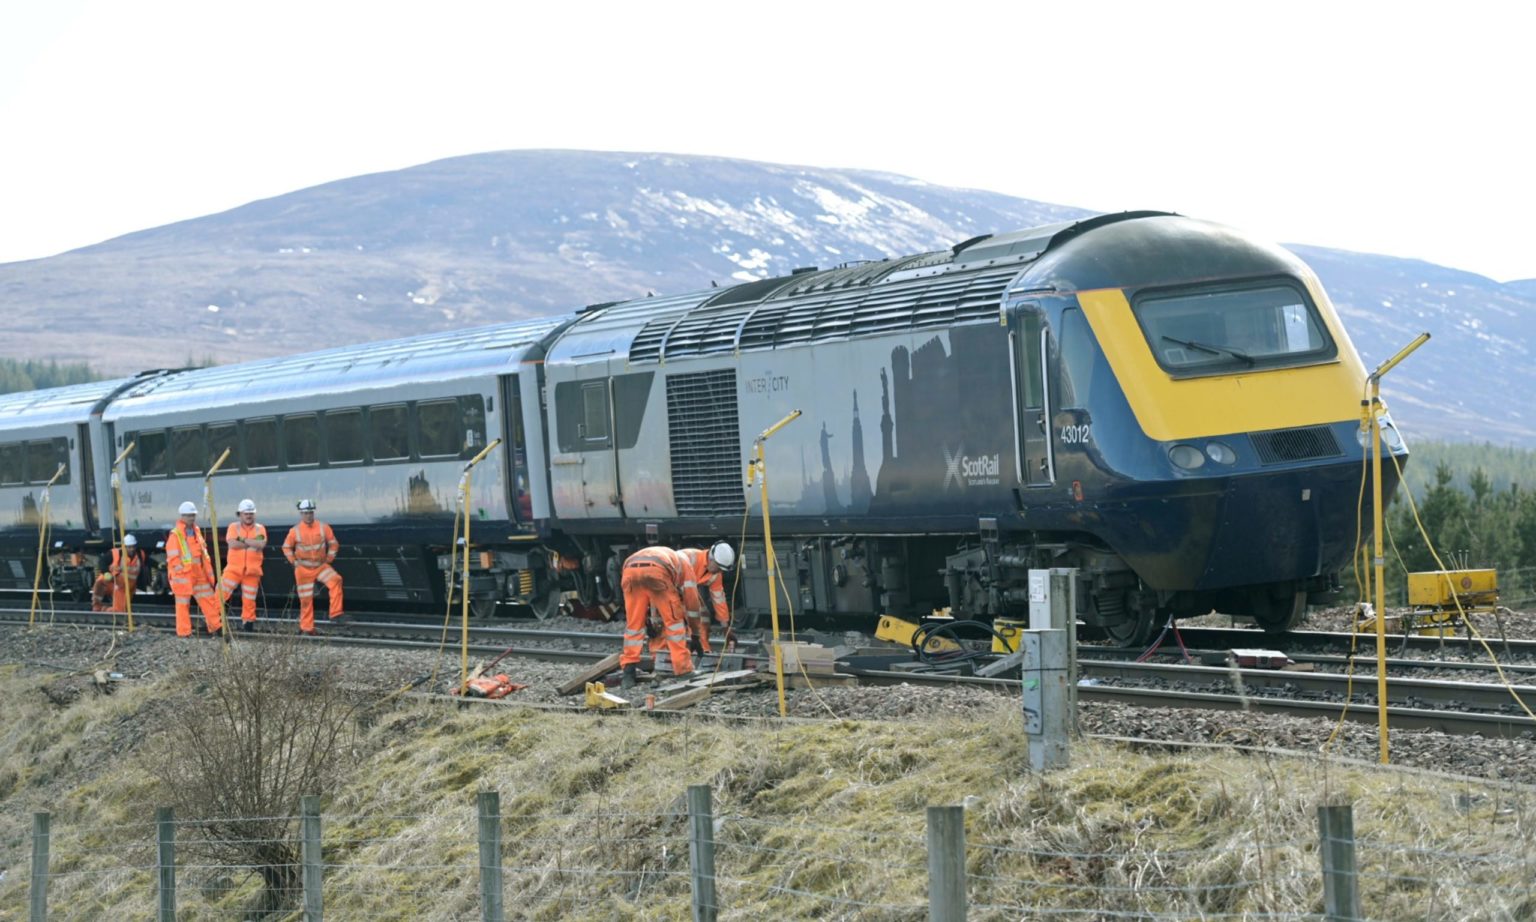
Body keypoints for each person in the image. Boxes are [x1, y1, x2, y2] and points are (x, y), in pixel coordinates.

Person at [617, 546, 696, 690]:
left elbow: (647, 591)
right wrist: (695, 633)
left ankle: (628, 672)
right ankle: (683, 669)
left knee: (634, 626)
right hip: (656, 572)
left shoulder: (667, 555)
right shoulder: (686, 564)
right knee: (674, 623)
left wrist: (648, 617)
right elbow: (692, 602)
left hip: (629, 570)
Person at [282, 498, 343, 635]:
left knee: (336, 580)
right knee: (306, 599)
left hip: (320, 566)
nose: (308, 515)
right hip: (303, 569)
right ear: (301, 514)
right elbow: (286, 547)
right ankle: (307, 628)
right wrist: (294, 562)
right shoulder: (295, 531)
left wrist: (329, 559)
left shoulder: (323, 527)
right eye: (305, 513)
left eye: (310, 512)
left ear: (313, 513)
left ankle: (335, 614)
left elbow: (334, 544)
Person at [166, 502, 223, 637]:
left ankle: (216, 627)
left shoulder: (196, 531)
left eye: (193, 515)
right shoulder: (176, 535)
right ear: (182, 517)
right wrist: (182, 573)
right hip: (184, 576)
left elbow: (201, 553)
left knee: (208, 600)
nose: (192, 518)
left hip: (198, 572)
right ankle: (184, 632)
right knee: (182, 605)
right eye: (189, 515)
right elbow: (173, 558)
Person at [676, 542, 735, 654]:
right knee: (673, 621)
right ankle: (663, 654)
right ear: (711, 559)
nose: (719, 571)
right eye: (718, 568)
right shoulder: (689, 558)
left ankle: (703, 650)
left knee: (703, 615)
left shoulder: (715, 573)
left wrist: (726, 628)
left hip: (686, 591)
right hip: (669, 588)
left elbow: (719, 600)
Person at [221, 499, 267, 632]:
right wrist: (252, 541)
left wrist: (242, 540)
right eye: (246, 513)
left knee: (249, 600)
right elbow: (232, 544)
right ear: (239, 514)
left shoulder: (260, 528)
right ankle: (214, 622)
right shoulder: (233, 527)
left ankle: (248, 627)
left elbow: (261, 544)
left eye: (251, 513)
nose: (249, 516)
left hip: (252, 571)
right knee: (221, 595)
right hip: (234, 570)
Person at [107, 533, 148, 613]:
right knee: (119, 607)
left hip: (131, 586)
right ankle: (118, 617)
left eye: (133, 546)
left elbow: (148, 561)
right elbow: (103, 561)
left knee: (125, 605)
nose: (132, 549)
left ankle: (123, 617)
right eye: (129, 547)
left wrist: (158, 565)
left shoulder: (139, 554)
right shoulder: (117, 553)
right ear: (124, 547)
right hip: (120, 585)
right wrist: (105, 572)